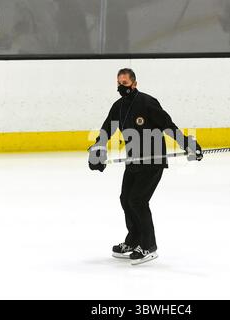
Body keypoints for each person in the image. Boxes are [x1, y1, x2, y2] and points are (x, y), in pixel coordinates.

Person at [88, 68, 203, 265]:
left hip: (153, 160)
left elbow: (168, 126)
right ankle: (133, 241)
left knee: (137, 200)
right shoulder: (119, 107)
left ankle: (149, 246)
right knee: (126, 199)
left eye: (124, 83)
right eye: (119, 84)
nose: (121, 87)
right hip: (133, 161)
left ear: (134, 83)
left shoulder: (147, 103)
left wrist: (188, 144)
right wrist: (98, 149)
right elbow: (107, 129)